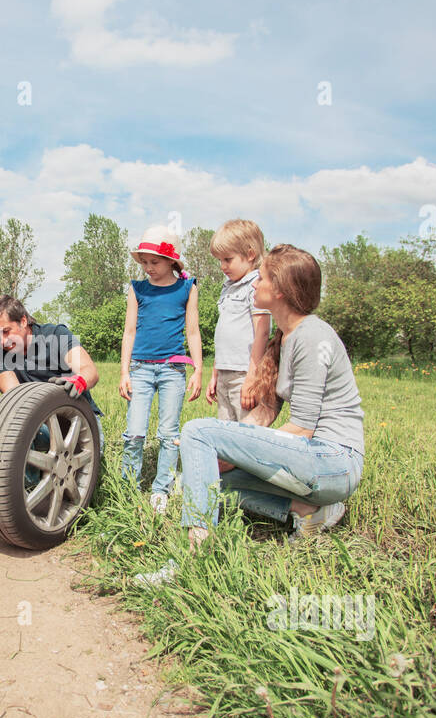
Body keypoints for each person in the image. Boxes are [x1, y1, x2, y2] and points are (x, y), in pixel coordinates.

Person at [136, 244, 365, 585]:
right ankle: (308, 511)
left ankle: (193, 560)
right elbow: (265, 414)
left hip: (334, 461)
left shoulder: (313, 335)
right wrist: (228, 454)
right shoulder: (285, 339)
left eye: (264, 277)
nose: (255, 283)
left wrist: (234, 451)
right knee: (210, 481)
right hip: (311, 465)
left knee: (199, 430)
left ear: (282, 290)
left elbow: (302, 430)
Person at [118, 226, 203, 513]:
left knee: (169, 434)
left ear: (171, 262)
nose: (148, 268)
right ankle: (128, 486)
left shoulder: (187, 289)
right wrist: (124, 372)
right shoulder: (137, 288)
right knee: (135, 432)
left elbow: (193, 332)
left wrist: (199, 370)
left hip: (172, 371)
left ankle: (161, 489)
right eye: (144, 262)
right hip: (140, 369)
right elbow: (129, 331)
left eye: (154, 262)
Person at [0, 294, 104, 452]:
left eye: (6, 331)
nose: (2, 341)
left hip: (79, 420)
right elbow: (14, 395)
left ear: (23, 321)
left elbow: (90, 371)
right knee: (7, 428)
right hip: (39, 421)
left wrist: (80, 381)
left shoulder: (56, 335)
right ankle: (28, 476)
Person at [206, 219, 276, 427]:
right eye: (219, 260)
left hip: (244, 373)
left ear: (250, 254)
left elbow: (262, 333)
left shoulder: (256, 286)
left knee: (246, 434)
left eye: (228, 259)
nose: (222, 266)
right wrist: (215, 374)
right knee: (226, 434)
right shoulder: (228, 288)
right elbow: (223, 336)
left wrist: (252, 377)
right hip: (225, 373)